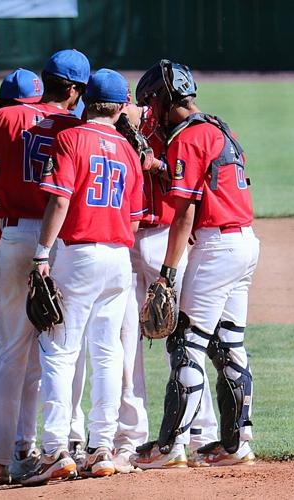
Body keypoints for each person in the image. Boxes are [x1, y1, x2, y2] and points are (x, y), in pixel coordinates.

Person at [0, 51, 90, 484]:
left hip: (12, 241)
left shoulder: (5, 119)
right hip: (59, 242)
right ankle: (65, 444)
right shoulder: (76, 126)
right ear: (71, 89)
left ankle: (0, 459)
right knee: (60, 348)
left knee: (10, 351)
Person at [132, 60, 260, 469]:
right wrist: (160, 167)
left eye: (152, 101)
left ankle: (170, 446)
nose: (149, 110)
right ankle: (237, 443)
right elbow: (204, 181)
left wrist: (168, 274)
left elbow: (184, 212)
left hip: (215, 247)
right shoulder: (219, 127)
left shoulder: (186, 137)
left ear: (166, 99)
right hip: (245, 243)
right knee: (229, 346)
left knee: (186, 345)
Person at [22, 69, 144, 485]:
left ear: (85, 100)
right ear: (119, 105)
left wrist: (41, 254)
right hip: (118, 260)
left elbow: (59, 201)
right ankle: (103, 448)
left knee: (59, 351)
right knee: (108, 353)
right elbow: (134, 215)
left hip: (79, 254)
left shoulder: (71, 139)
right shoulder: (129, 150)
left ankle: (56, 448)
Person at [112, 103, 220, 472]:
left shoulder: (169, 126)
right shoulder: (105, 127)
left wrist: (151, 157)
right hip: (125, 238)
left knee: (181, 341)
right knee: (126, 344)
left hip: (164, 238)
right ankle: (129, 438)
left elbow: (187, 175)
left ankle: (201, 433)